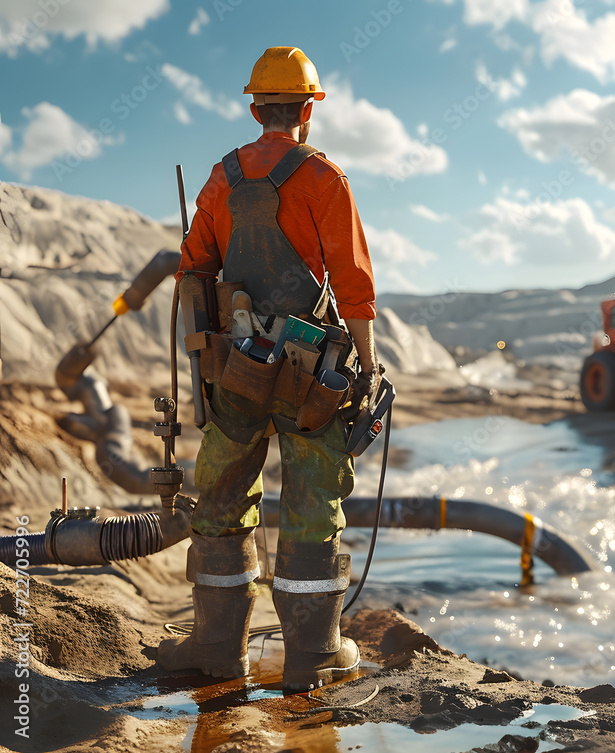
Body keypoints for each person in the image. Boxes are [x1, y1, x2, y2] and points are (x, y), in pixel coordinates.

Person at [158, 47, 380, 692]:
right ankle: (313, 656)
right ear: (308, 109)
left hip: (235, 370)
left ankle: (218, 649)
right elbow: (354, 282)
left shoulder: (220, 178)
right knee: (313, 503)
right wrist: (364, 366)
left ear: (256, 108)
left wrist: (212, 349)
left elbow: (193, 270)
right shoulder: (324, 177)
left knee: (222, 498)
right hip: (312, 375)